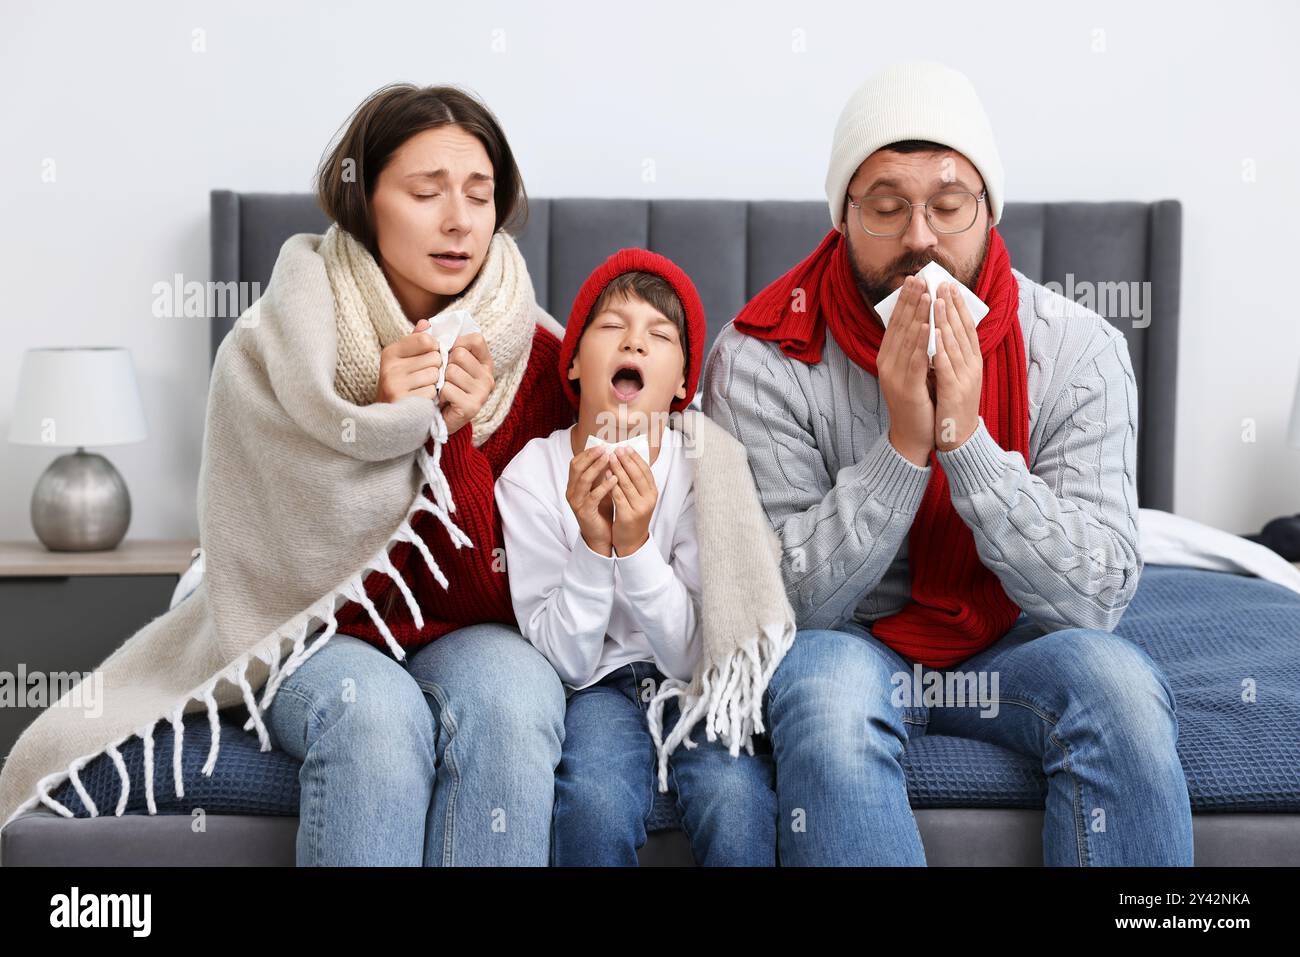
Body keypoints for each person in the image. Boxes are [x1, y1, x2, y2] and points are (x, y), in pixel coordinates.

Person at [702, 61, 1192, 866]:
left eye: (949, 204)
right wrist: (901, 448)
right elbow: (774, 607)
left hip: (1013, 641)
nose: (920, 237)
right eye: (887, 208)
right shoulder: (761, 359)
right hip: (849, 642)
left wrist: (966, 445)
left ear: (989, 211)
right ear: (843, 218)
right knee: (826, 700)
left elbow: (1096, 596)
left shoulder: (1077, 350)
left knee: (1122, 690)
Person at [262, 83, 577, 866]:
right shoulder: (293, 342)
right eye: (426, 192)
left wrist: (452, 439)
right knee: (373, 715)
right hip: (307, 625)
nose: (460, 220)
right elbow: (281, 564)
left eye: (480, 194)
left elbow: (508, 592)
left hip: (464, 625)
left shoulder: (541, 359)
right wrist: (374, 429)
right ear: (365, 201)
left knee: (512, 699)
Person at [495, 250, 781, 865]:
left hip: (694, 685)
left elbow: (695, 653)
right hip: (597, 689)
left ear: (683, 384)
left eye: (660, 334)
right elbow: (568, 663)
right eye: (611, 327)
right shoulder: (531, 476)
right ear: (572, 361)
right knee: (593, 805)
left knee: (738, 802)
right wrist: (595, 547)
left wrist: (638, 544)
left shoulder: (705, 468)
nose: (635, 342)